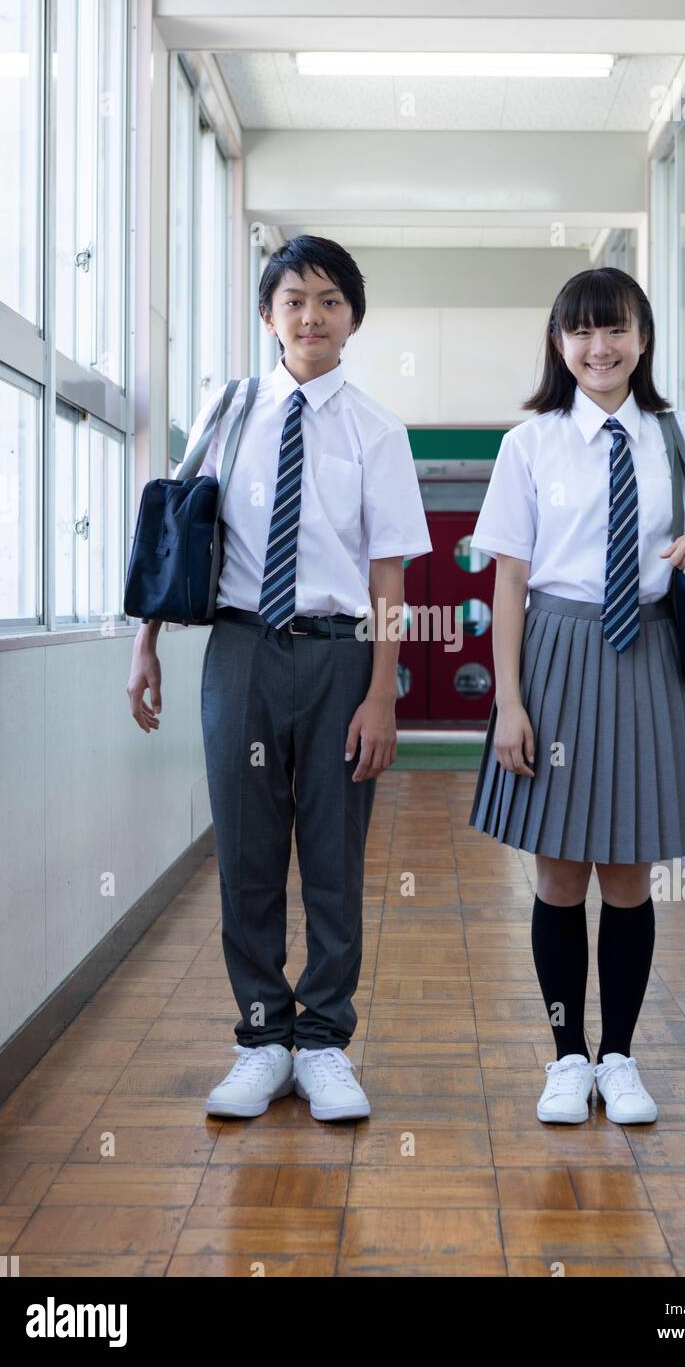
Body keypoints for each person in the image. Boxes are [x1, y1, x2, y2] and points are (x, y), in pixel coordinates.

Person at [127, 236, 431, 1122]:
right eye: (294, 298)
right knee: (249, 856)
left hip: (340, 656)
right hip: (240, 652)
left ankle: (326, 1041)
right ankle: (261, 1038)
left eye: (331, 300)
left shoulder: (378, 430)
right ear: (269, 315)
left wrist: (383, 691)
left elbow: (388, 576)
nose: (312, 315)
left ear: (354, 320)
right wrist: (144, 639)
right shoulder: (226, 414)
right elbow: (175, 536)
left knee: (334, 855)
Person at [468, 267, 685, 1126]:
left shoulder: (676, 434)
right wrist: (509, 702)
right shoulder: (531, 444)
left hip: (647, 655)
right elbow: (508, 584)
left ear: (644, 337)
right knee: (558, 874)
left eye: (617, 328)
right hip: (554, 652)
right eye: (583, 332)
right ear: (560, 344)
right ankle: (565, 1061)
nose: (601, 347)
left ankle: (619, 1057)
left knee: (628, 874)